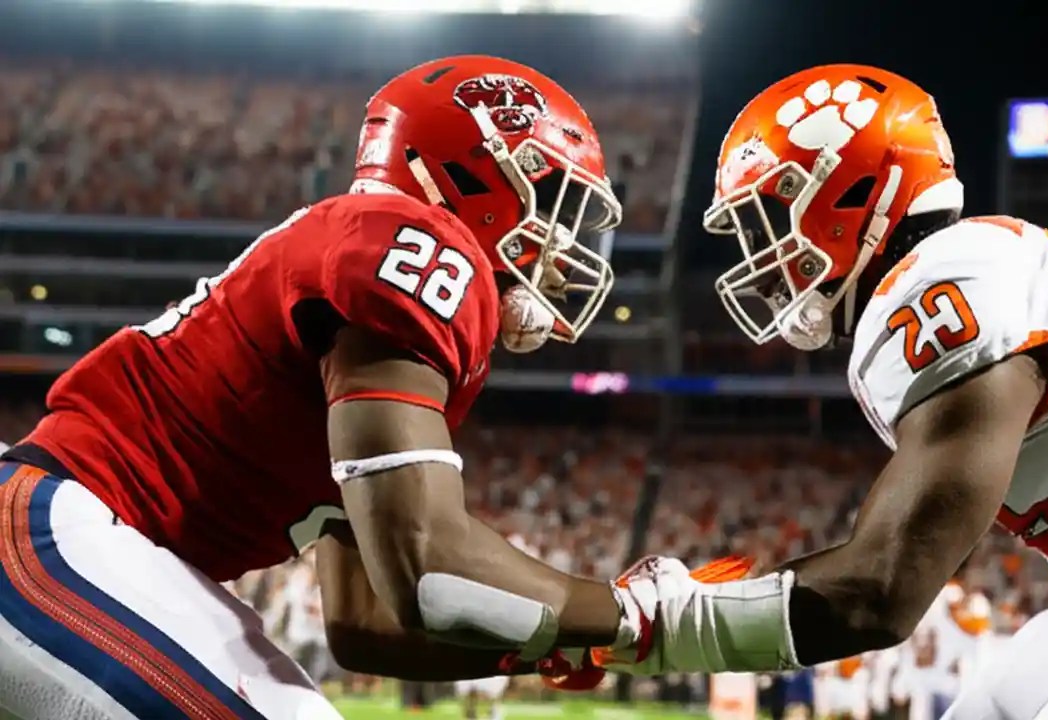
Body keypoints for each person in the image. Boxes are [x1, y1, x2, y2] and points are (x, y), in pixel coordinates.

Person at [586, 64, 1048, 719]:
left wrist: (655, 623)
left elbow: (881, 593)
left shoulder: (944, 285)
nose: (759, 258)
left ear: (850, 195)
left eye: (770, 218)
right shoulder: (957, 279)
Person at [0, 54, 641, 719]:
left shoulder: (388, 326)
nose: (563, 246)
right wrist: (640, 614)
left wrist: (558, 642)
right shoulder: (418, 241)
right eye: (554, 202)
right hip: (53, 532)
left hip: (100, 541)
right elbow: (429, 562)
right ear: (470, 173)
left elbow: (369, 623)